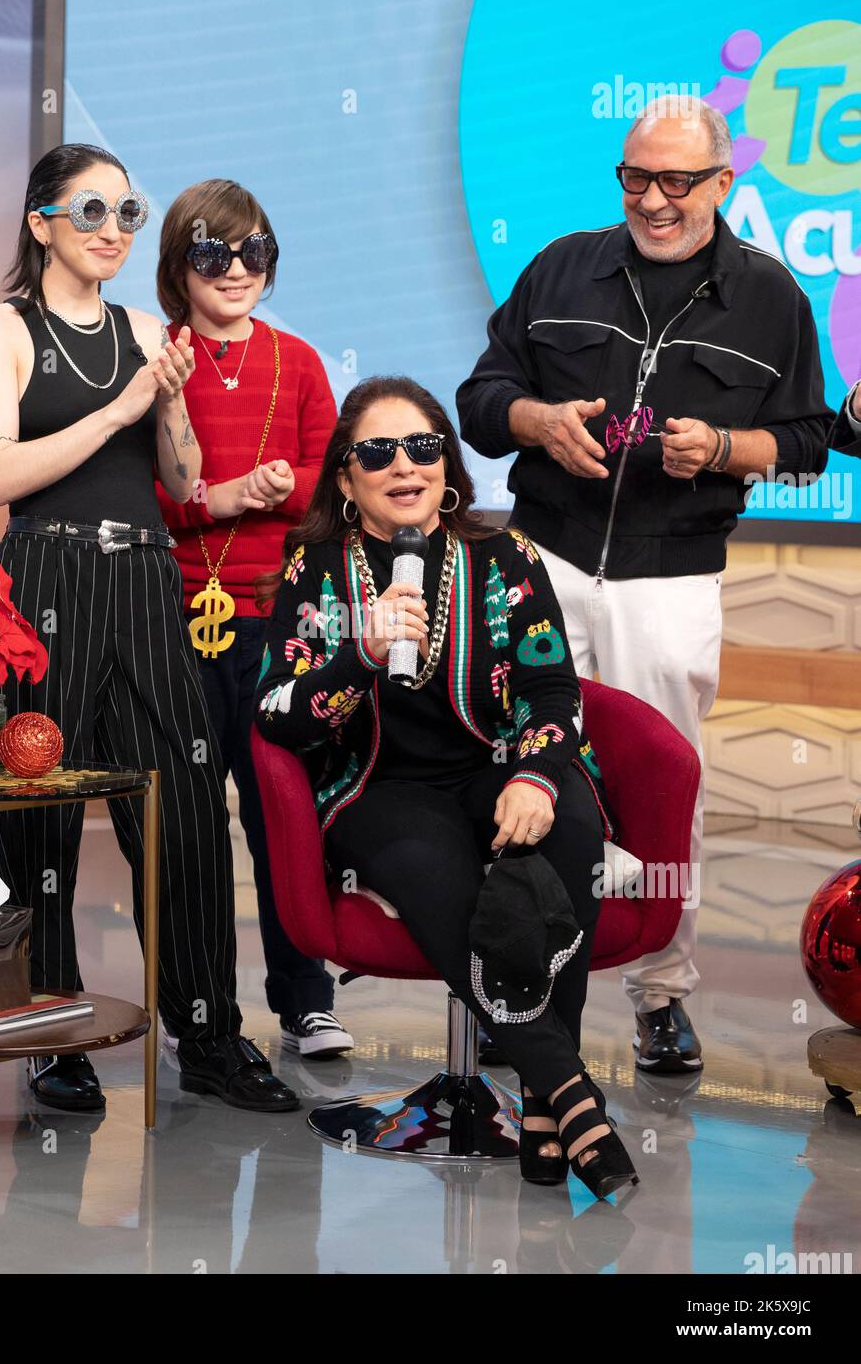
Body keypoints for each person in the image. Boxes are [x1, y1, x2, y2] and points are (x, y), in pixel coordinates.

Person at [457, 96, 833, 1075]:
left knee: (663, 790)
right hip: (538, 560)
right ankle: (515, 983)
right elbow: (478, 400)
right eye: (635, 179)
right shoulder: (559, 266)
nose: (653, 201)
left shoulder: (770, 298)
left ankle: (661, 993)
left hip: (670, 579)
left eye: (675, 181)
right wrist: (536, 421)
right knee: (520, 769)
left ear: (721, 183)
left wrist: (719, 448)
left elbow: (804, 441)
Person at [0, 143, 298, 1114]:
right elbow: (0, 475)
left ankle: (209, 1034)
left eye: (127, 213)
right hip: (49, 569)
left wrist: (172, 398)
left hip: (148, 574)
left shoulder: (146, 328)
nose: (112, 229)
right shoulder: (1, 328)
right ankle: (47, 1026)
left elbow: (184, 483)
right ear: (41, 223)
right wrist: (126, 403)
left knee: (187, 806)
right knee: (41, 804)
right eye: (91, 210)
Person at [254, 374, 638, 1198]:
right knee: (439, 876)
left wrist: (534, 775)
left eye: (423, 447)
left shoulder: (503, 557)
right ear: (346, 478)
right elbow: (277, 711)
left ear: (447, 464)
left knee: (568, 822)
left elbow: (552, 692)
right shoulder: (314, 569)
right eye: (378, 452)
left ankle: (541, 1105)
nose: (405, 466)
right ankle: (567, 1095)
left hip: (496, 766)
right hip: (378, 790)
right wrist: (360, 649)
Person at [154, 178, 352, 1060]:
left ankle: (305, 999)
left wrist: (285, 491)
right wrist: (218, 499)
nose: (235, 269)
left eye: (253, 252)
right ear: (176, 268)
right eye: (211, 254)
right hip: (172, 616)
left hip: (279, 624)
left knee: (280, 811)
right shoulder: (157, 357)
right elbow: (137, 494)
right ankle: (197, 1007)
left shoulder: (300, 362)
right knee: (186, 821)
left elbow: (334, 481)